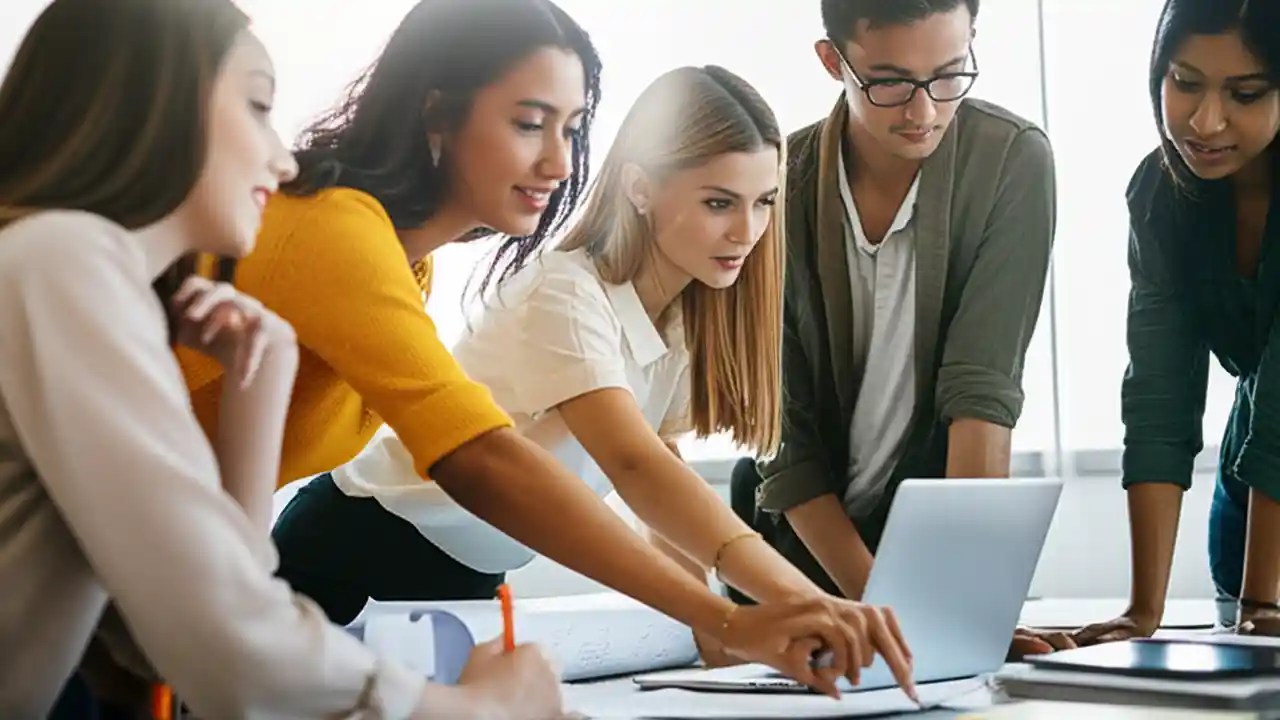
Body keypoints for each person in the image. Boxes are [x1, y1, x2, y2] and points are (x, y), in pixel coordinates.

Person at [184, 0, 887, 695]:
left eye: (573, 128)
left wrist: (731, 620)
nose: (558, 161)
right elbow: (483, 457)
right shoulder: (349, 238)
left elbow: (651, 468)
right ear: (436, 114)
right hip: (286, 550)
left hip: (223, 554)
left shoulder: (407, 262)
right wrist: (744, 613)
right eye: (529, 124)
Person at [0, 1, 567, 718]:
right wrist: (472, 707)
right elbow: (229, 645)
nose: (283, 156)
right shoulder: (60, 261)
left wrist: (257, 393)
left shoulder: (75, 277)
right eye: (258, 105)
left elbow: (187, 625)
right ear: (157, 105)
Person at [727, 0, 1062, 657]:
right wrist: (891, 612)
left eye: (948, 74)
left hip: (930, 551)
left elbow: (981, 395)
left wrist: (955, 608)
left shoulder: (1011, 163)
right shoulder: (774, 188)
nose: (924, 111)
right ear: (833, 61)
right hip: (790, 552)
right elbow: (782, 437)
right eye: (889, 82)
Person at [1075, 0, 1280, 645]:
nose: (1205, 120)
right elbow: (1159, 399)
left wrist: (1264, 602)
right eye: (1185, 82)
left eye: (1244, 93)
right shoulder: (1163, 192)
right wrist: (1142, 612)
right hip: (1254, 495)